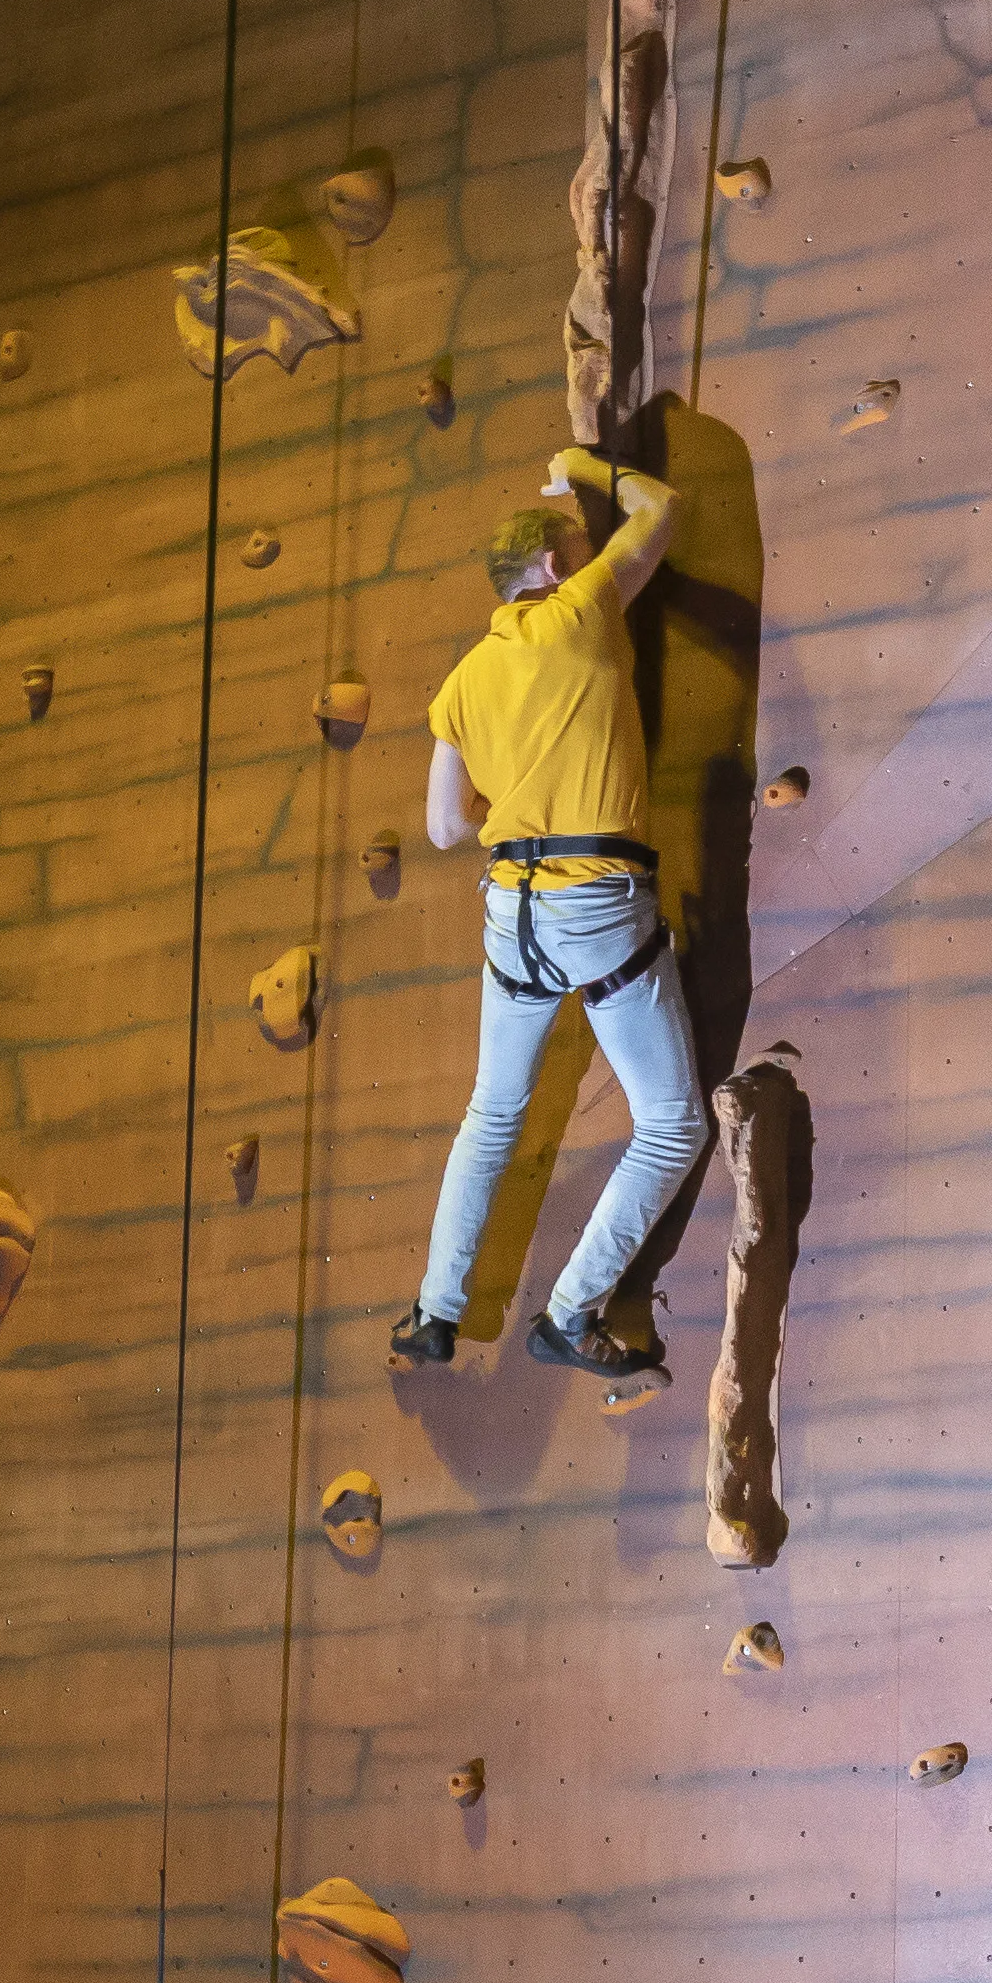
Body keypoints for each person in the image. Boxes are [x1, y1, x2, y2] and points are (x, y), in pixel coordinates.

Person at [393, 440, 706, 1380]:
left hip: (510, 916)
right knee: (673, 1124)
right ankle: (569, 1314)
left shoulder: (461, 683)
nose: (586, 552)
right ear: (551, 566)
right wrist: (582, 463)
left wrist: (516, 807)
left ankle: (433, 1314)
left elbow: (446, 828)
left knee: (492, 1114)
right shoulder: (579, 612)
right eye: (577, 543)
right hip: (595, 906)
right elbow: (660, 510)